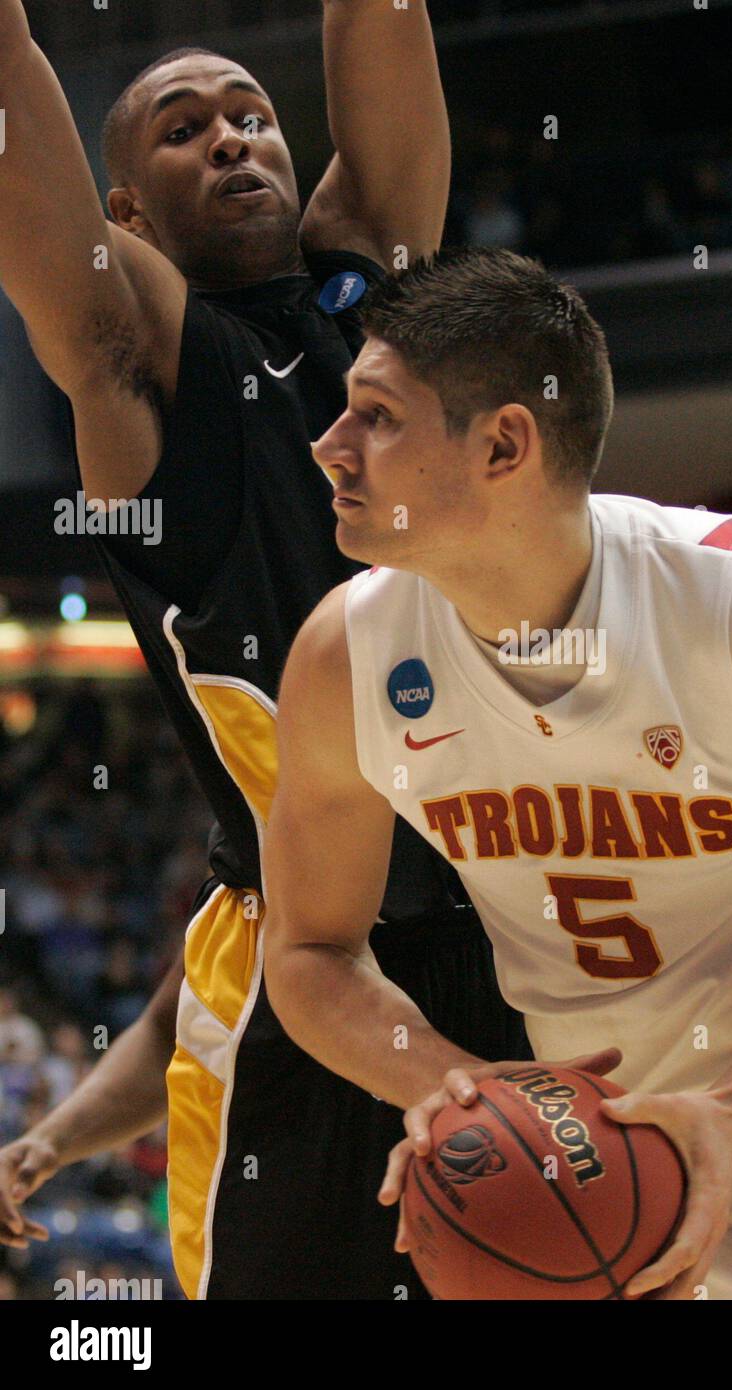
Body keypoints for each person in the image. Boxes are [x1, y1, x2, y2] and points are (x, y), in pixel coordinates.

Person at [262, 247, 732, 1300]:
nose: (329, 444)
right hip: (599, 1177)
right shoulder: (346, 659)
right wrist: (457, 1084)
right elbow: (306, 951)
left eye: (377, 417)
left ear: (505, 444)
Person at [0, 4, 529, 1299]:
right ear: (125, 210)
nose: (233, 139)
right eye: (185, 132)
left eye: (251, 116)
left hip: (520, 927)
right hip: (314, 995)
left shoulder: (383, 305)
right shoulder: (140, 379)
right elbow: (244, 944)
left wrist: (54, 1135)